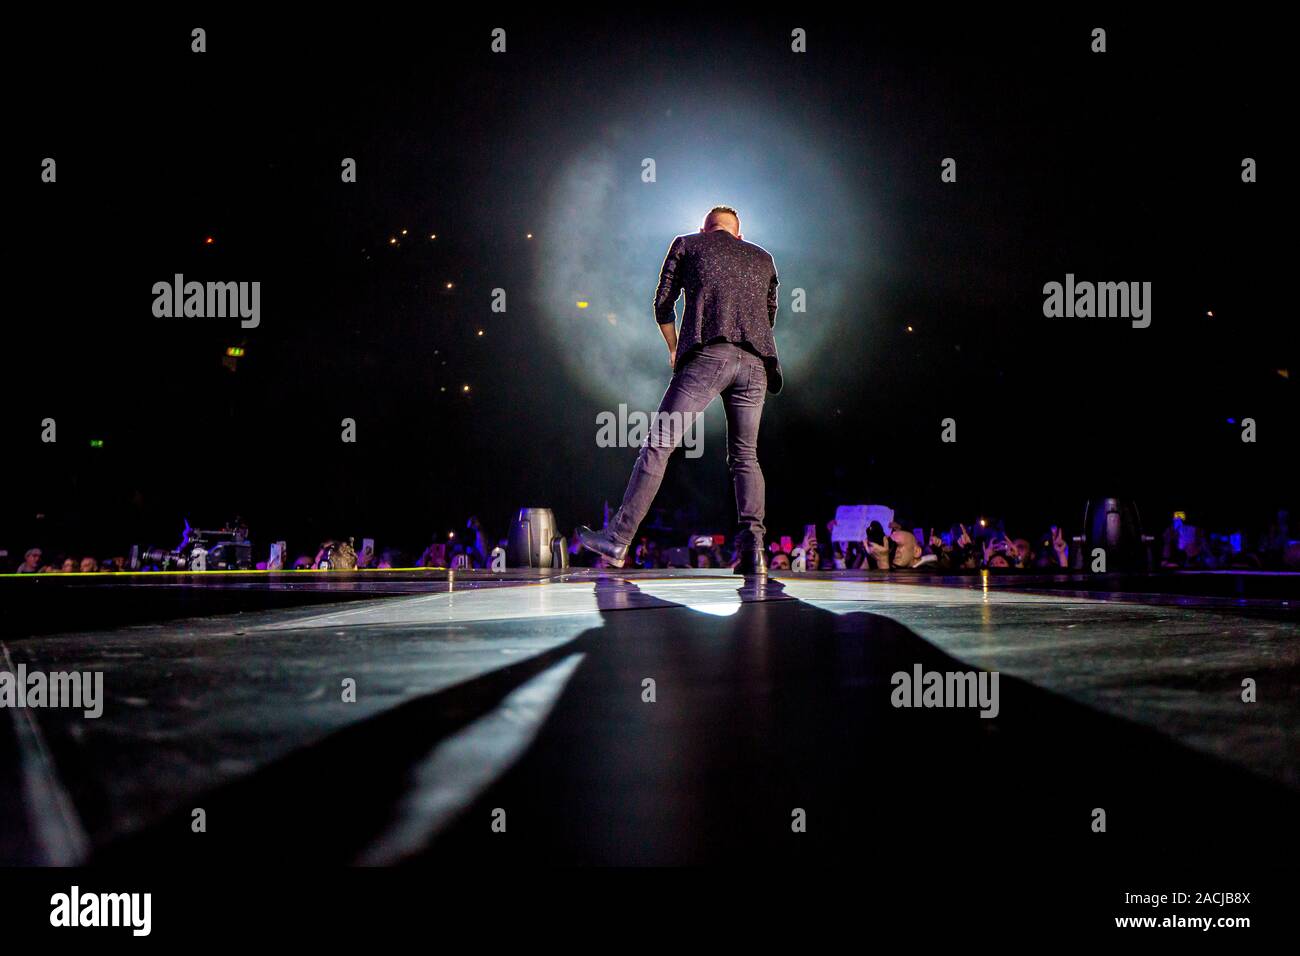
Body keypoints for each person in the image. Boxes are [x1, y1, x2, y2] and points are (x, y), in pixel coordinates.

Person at [578, 205, 783, 576]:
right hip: (757, 364)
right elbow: (769, 315)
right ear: (738, 234)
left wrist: (674, 348)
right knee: (745, 457)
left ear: (705, 230)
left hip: (709, 354)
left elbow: (662, 304)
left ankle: (618, 540)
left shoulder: (689, 245)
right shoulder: (763, 258)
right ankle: (754, 549)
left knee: (660, 444)